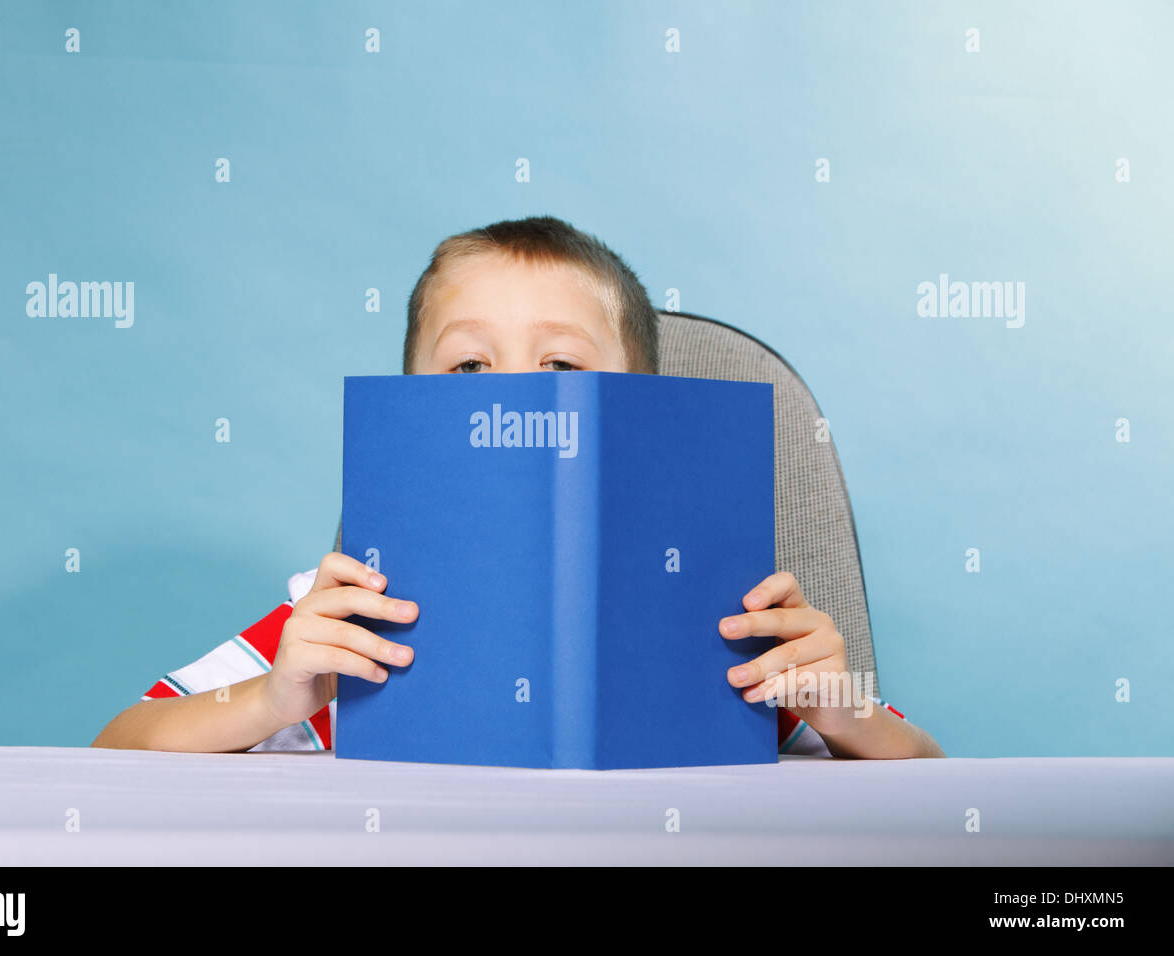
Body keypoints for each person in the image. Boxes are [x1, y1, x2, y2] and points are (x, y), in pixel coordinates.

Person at [93, 215, 945, 760]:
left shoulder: (722, 625)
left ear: (642, 412)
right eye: (469, 365)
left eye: (562, 366)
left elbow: (929, 776)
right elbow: (118, 747)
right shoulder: (348, 622)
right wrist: (277, 696)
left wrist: (840, 712)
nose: (517, 401)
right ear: (413, 410)